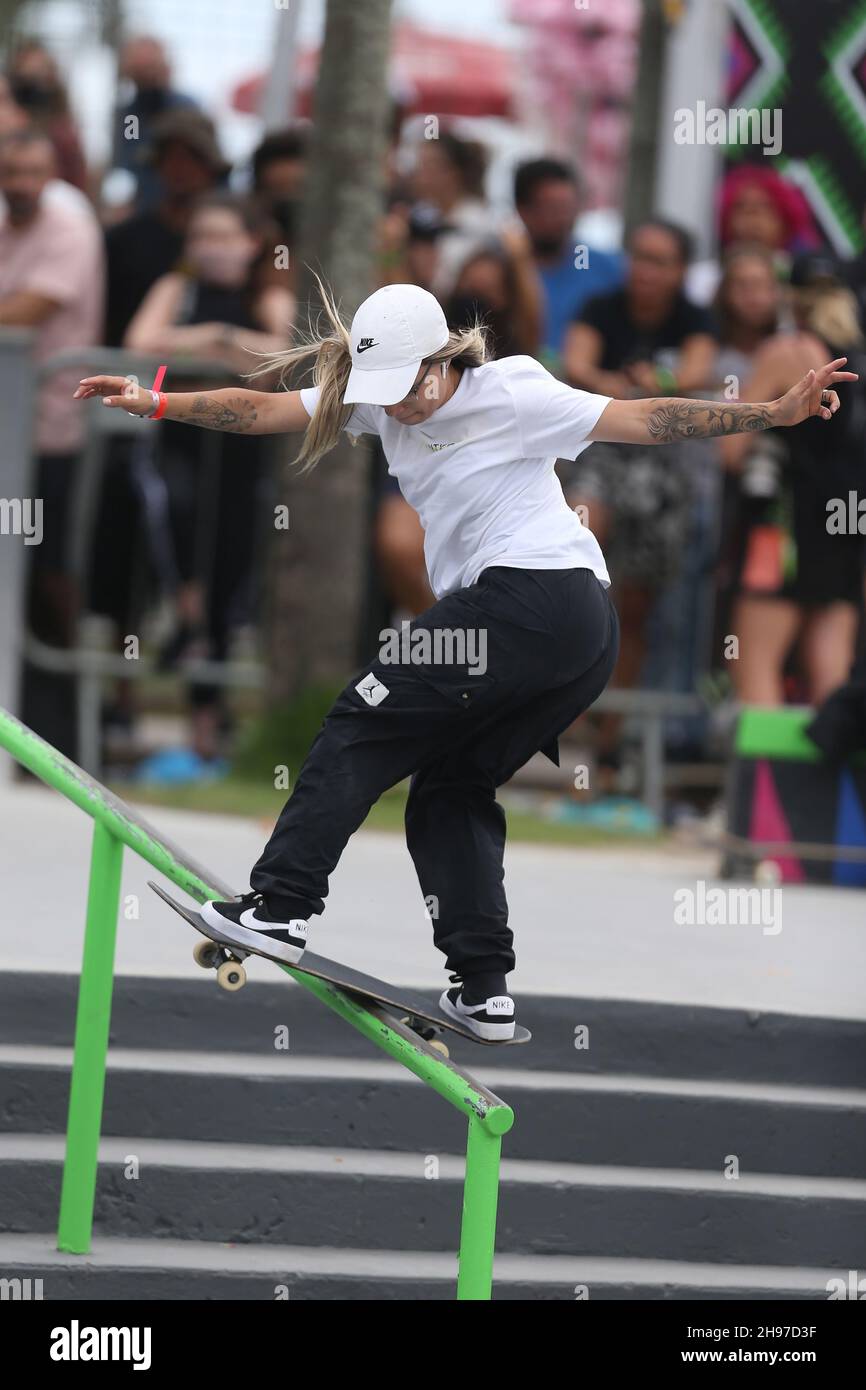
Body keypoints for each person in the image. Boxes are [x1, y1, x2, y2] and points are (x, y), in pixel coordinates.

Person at [73, 282, 855, 1038]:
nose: (398, 406)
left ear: (443, 358)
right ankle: (482, 989)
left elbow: (645, 418)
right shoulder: (377, 399)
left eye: (410, 387)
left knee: (362, 715)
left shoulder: (514, 391)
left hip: (539, 599)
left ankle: (280, 907)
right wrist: (160, 402)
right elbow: (266, 410)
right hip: (566, 634)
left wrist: (769, 412)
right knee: (449, 787)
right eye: (382, 392)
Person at [561, 219, 717, 771]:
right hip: (604, 445)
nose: (645, 271)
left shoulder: (694, 318)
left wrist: (652, 387)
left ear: (679, 271)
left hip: (662, 466)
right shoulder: (601, 305)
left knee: (638, 605)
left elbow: (697, 372)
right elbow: (575, 363)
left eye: (659, 261)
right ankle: (565, 710)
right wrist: (628, 389)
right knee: (579, 552)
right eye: (640, 257)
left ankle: (606, 745)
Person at [0, 127, 105, 759]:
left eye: (30, 171)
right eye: (10, 171)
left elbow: (26, 312)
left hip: (52, 437)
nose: (19, 183)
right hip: (11, 437)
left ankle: (61, 736)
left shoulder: (69, 229)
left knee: (48, 579)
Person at [720, 253, 866, 705]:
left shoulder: (788, 353)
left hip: (782, 527)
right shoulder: (859, 358)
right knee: (832, 679)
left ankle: (765, 778)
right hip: (848, 523)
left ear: (791, 300)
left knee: (755, 667)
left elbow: (730, 449)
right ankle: (832, 778)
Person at [514, 157, 623, 368]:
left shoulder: (607, 267)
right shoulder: (501, 270)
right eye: (552, 208)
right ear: (523, 210)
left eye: (569, 207)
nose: (563, 217)